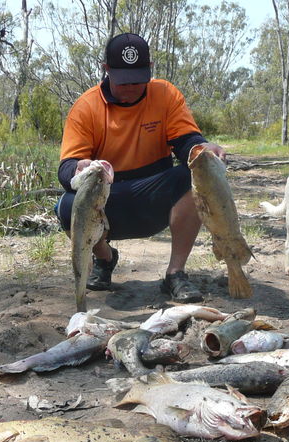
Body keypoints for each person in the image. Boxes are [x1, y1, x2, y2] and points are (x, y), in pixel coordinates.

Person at [55, 32, 226, 303]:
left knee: (192, 173)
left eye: (139, 79)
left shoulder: (165, 94)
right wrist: (79, 169)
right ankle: (105, 259)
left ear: (150, 71)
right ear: (106, 70)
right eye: (124, 80)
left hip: (154, 196)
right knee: (66, 207)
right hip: (108, 202)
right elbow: (66, 168)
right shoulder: (86, 107)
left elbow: (186, 141)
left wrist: (201, 151)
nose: (132, 86)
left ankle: (175, 274)